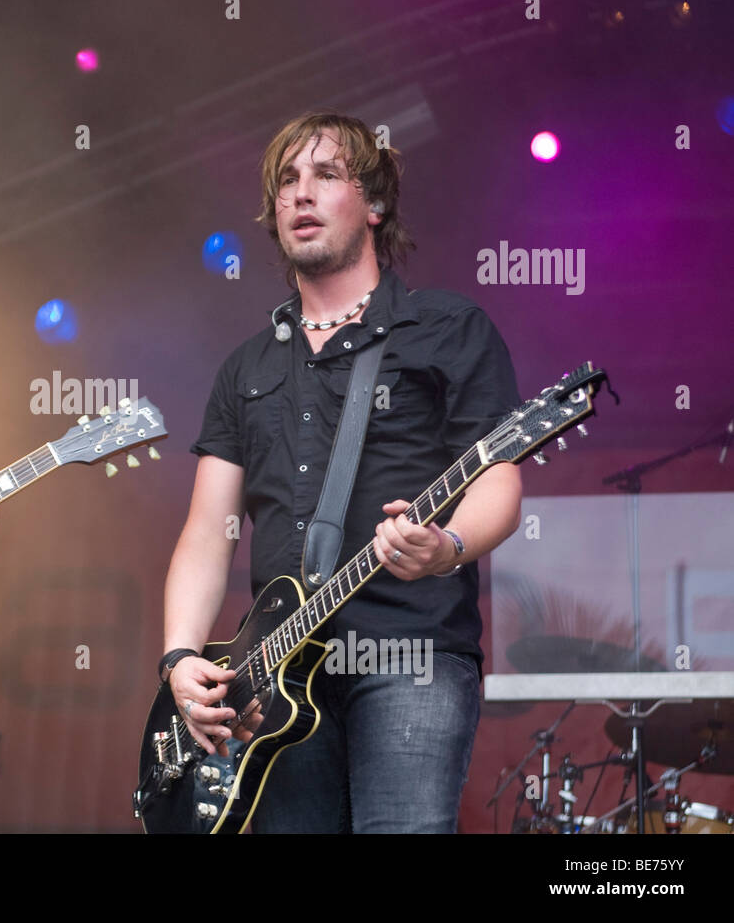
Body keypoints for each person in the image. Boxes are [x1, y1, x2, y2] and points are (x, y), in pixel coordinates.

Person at [159, 112, 522, 833]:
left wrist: (444, 548)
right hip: (277, 677)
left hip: (409, 655)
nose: (301, 194)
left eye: (326, 176)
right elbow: (208, 530)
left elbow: (498, 481)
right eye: (288, 181)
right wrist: (179, 657)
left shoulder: (447, 329)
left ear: (375, 204)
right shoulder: (248, 367)